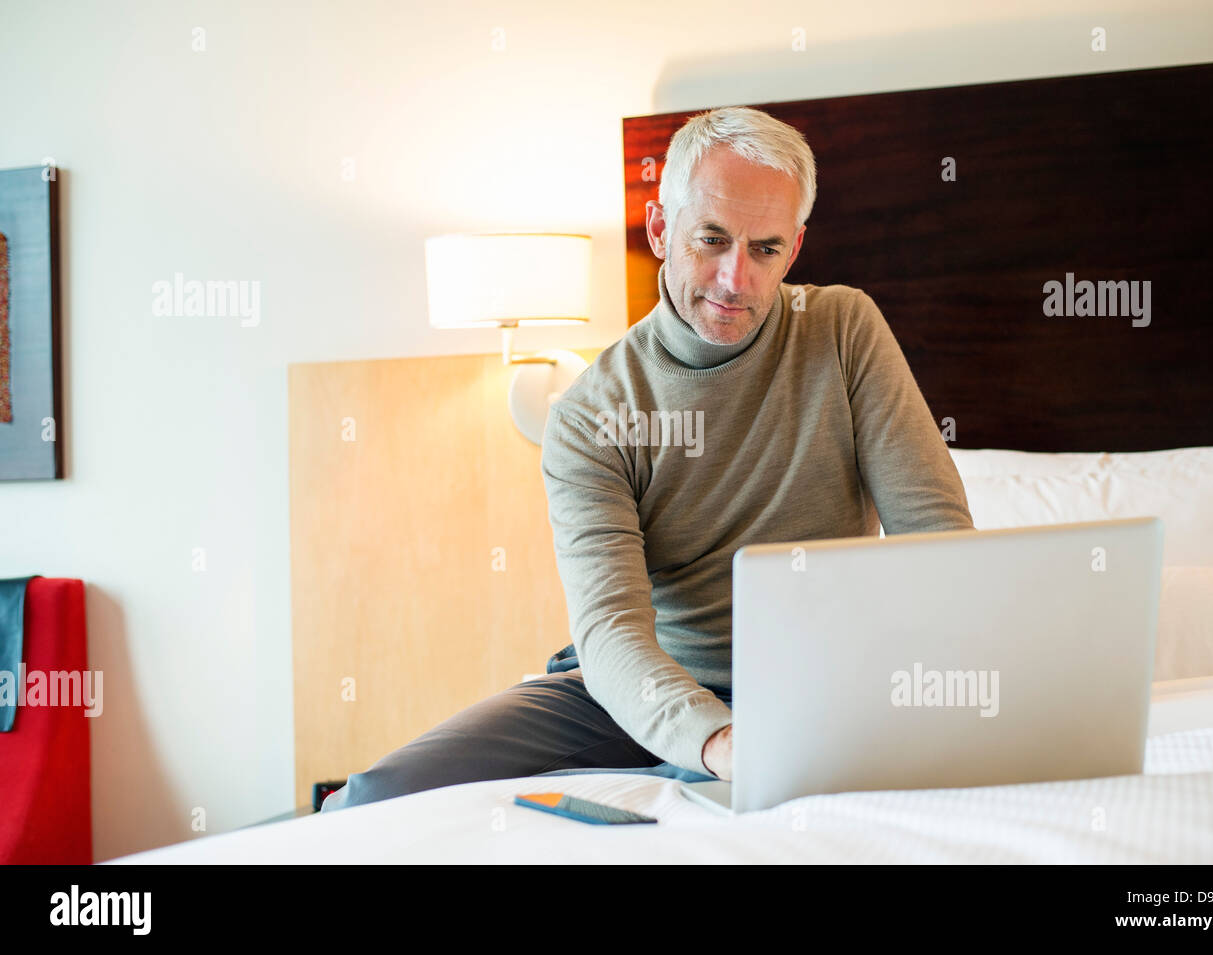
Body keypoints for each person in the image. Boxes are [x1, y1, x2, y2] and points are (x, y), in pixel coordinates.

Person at [320, 105, 973, 812]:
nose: (734, 278)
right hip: (642, 685)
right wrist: (720, 739)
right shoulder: (589, 413)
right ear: (661, 230)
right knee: (374, 798)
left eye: (765, 249)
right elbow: (610, 635)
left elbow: (938, 548)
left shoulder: (844, 331)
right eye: (712, 239)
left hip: (818, 679)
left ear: (796, 248)